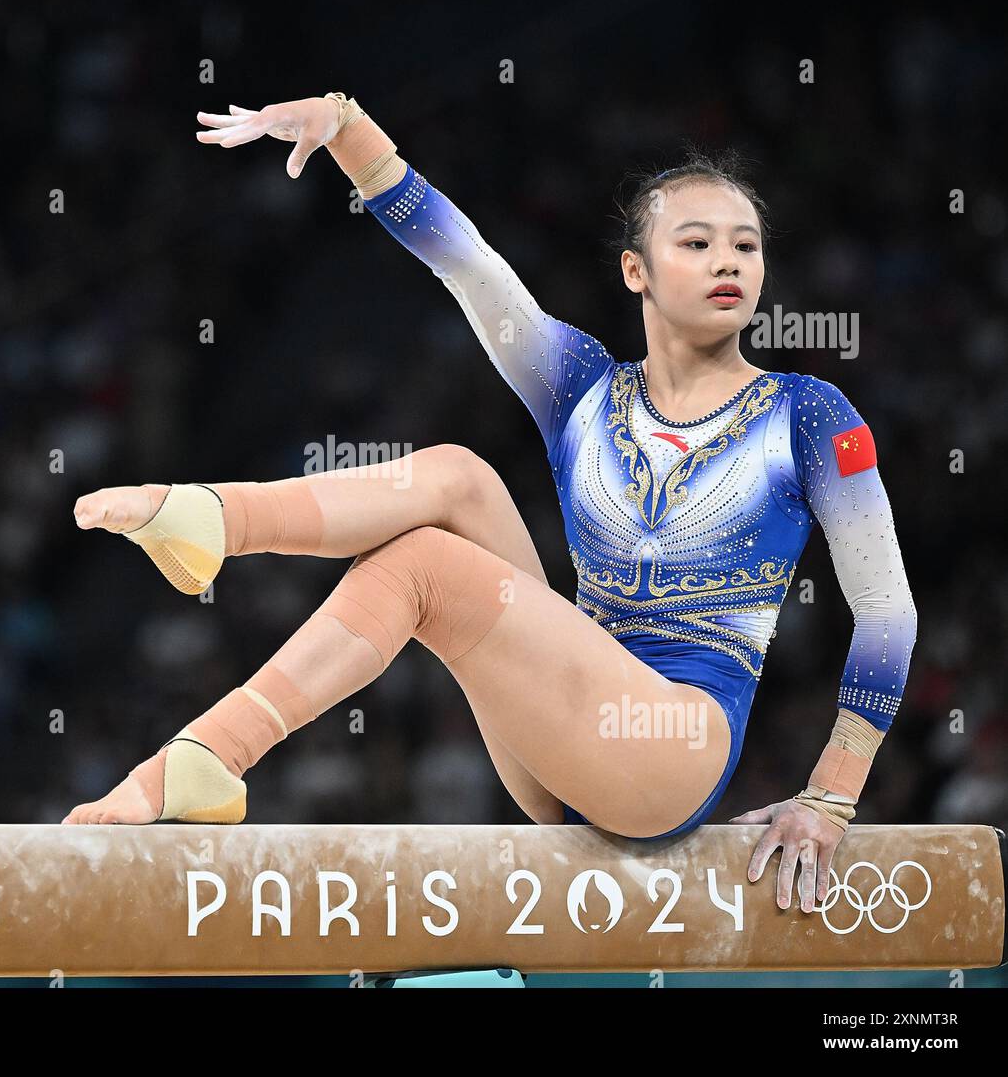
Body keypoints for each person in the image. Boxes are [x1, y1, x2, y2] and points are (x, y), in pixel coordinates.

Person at [62, 93, 917, 914]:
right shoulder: (582, 387)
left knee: (424, 565)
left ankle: (212, 752)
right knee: (459, 477)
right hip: (559, 739)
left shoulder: (807, 415)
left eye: (747, 245)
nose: (729, 261)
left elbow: (886, 613)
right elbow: (468, 265)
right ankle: (217, 521)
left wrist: (831, 797)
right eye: (695, 242)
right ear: (636, 271)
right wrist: (349, 132)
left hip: (672, 753)